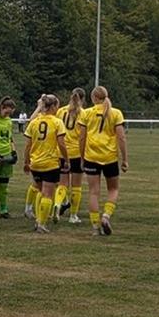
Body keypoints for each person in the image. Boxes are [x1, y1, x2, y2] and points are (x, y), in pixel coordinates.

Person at [80, 85, 129, 235]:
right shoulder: (116, 113)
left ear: (93, 98)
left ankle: (95, 227)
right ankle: (106, 216)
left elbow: (82, 138)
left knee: (93, 192)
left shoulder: (86, 113)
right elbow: (121, 137)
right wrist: (124, 159)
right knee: (113, 189)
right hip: (109, 157)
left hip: (91, 156)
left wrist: (82, 157)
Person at [22, 94, 71, 231]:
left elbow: (27, 145)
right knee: (48, 194)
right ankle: (41, 224)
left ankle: (38, 219)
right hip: (50, 163)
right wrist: (66, 160)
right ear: (54, 106)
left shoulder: (34, 122)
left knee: (40, 191)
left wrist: (26, 161)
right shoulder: (57, 122)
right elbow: (61, 144)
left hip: (35, 163)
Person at [60, 87, 89, 223]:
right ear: (83, 99)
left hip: (62, 152)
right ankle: (73, 216)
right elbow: (83, 136)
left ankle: (58, 203)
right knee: (76, 186)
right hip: (76, 152)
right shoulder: (83, 113)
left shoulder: (61, 111)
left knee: (62, 184)